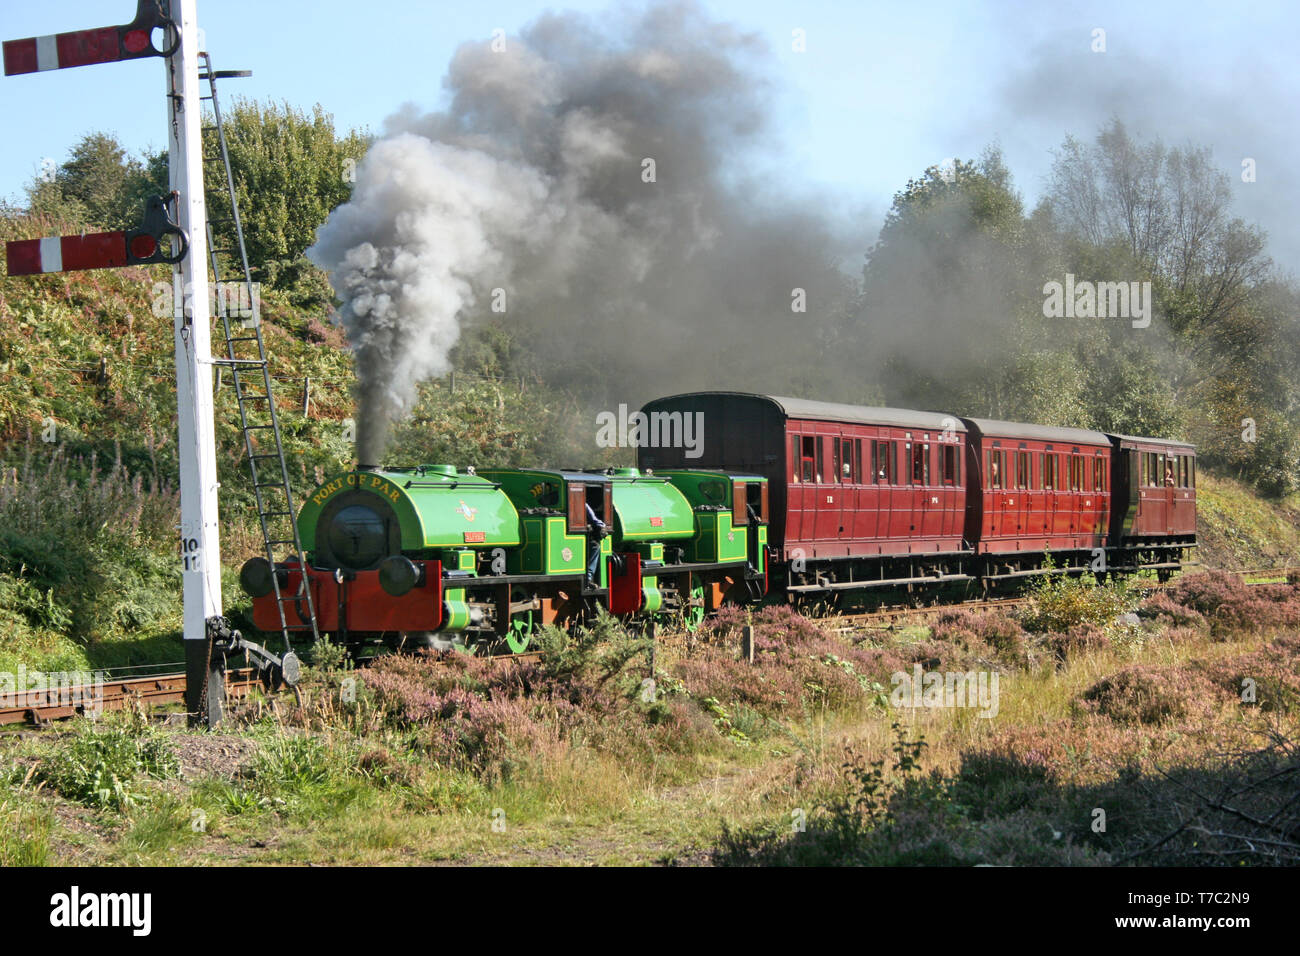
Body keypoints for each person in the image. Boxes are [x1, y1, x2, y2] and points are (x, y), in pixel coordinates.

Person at [585, 500, 607, 588]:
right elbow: (595, 520)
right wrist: (602, 526)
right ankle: (588, 577)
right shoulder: (581, 504)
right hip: (580, 537)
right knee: (595, 546)